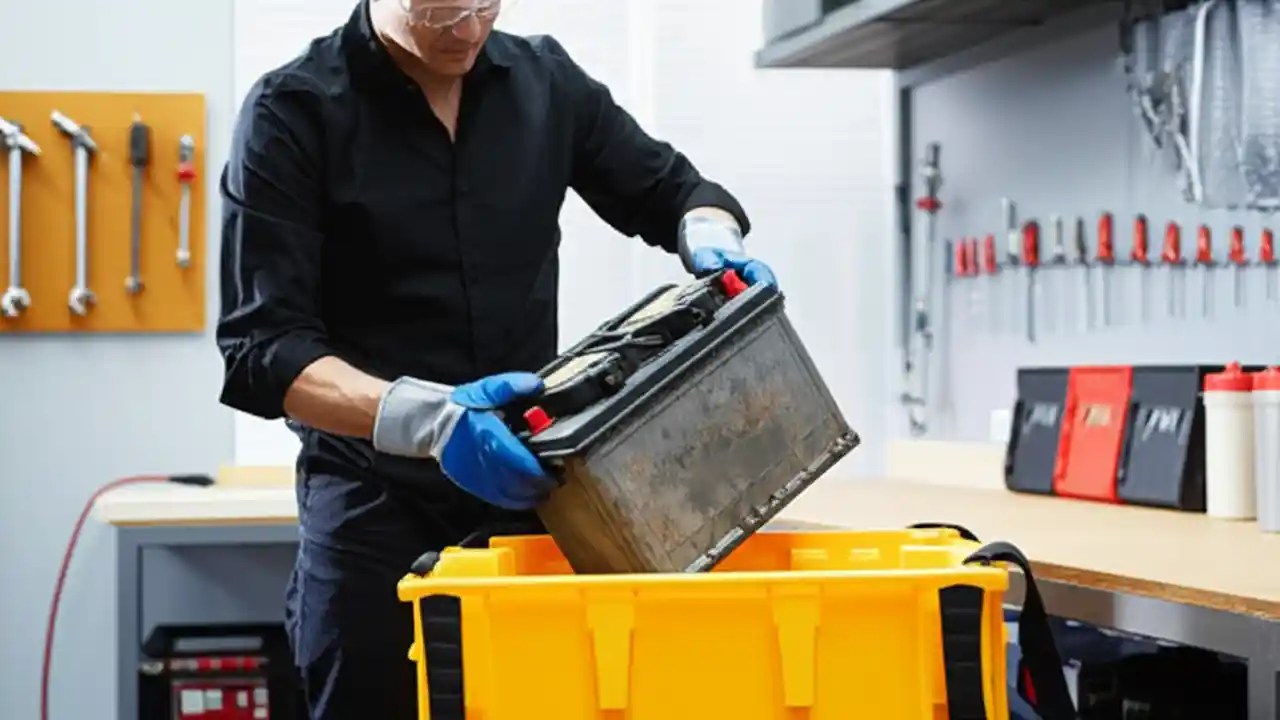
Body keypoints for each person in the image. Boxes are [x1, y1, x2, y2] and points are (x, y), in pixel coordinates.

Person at [215, 0, 777, 717]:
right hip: (371, 512)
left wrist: (708, 230)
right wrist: (436, 422)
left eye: (486, 5)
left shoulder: (543, 81)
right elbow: (264, 351)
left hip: (531, 495)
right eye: (442, 14)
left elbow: (673, 191)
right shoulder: (291, 112)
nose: (471, 33)